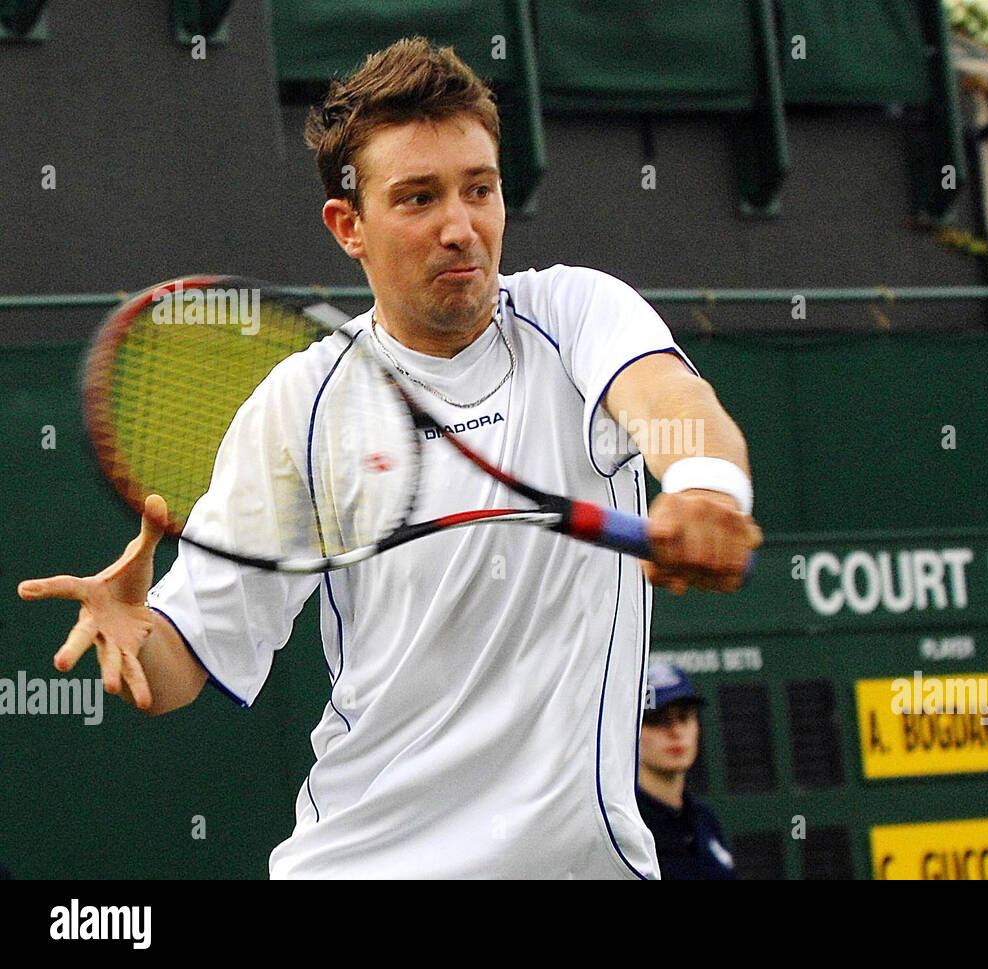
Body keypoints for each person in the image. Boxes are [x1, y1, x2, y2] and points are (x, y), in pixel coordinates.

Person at [17, 38, 762, 879]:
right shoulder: (300, 405)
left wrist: (703, 487)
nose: (460, 227)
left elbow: (674, 406)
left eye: (479, 189)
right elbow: (186, 659)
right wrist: (136, 628)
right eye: (417, 198)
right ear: (349, 226)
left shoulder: (580, 312)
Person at [636, 662, 737, 879]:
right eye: (658, 720)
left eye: (684, 717)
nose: (676, 731)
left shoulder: (703, 818)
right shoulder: (625, 825)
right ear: (630, 730)